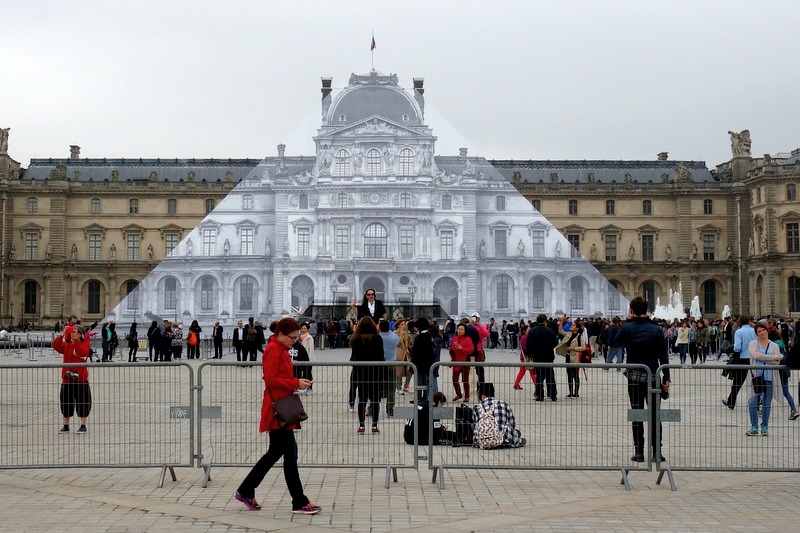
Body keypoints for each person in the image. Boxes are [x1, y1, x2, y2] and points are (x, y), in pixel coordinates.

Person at [234, 317, 319, 515]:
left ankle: (247, 489)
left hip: (282, 405)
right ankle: (298, 500)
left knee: (278, 453)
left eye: (297, 338)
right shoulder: (273, 349)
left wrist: (296, 382)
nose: (295, 341)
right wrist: (295, 383)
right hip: (277, 408)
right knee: (288, 454)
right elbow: (271, 379)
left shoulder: (280, 347)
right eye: (293, 338)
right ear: (280, 335)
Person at [614, 296, 671, 462]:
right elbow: (663, 355)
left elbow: (614, 342)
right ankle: (657, 453)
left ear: (632, 310)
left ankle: (639, 452)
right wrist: (666, 377)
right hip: (653, 375)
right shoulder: (656, 329)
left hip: (634, 376)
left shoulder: (627, 327)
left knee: (637, 412)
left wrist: (627, 320)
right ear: (646, 310)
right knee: (655, 414)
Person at [745, 323, 784, 436]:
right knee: (752, 402)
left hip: (770, 377)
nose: (762, 332)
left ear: (767, 330)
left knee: (767, 403)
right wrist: (773, 357)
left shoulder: (774, 346)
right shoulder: (752, 344)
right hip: (755, 377)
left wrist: (763, 356)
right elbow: (756, 357)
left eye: (763, 330)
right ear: (756, 334)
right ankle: (754, 426)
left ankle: (765, 426)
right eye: (759, 331)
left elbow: (777, 362)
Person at [53, 325, 92, 433]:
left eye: (74, 332)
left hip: (80, 378)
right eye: (71, 332)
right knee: (66, 401)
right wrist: (62, 334)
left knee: (83, 401)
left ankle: (83, 425)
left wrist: (76, 341)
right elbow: (56, 346)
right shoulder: (67, 345)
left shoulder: (84, 343)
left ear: (80, 334)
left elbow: (82, 352)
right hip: (68, 378)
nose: (72, 334)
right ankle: (66, 425)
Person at [349, 317, 384, 434]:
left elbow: (353, 357)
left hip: (361, 373)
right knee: (375, 400)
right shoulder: (378, 338)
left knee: (362, 400)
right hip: (375, 373)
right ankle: (374, 425)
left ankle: (362, 425)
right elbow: (381, 356)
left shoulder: (356, 338)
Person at [471, 382, 525, 448]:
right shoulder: (503, 404)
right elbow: (512, 424)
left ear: (482, 396)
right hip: (503, 436)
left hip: (483, 439)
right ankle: (503, 440)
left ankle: (489, 441)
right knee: (517, 432)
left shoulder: (476, 408)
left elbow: (474, 426)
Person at [723, 316, 757, 409]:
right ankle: (757, 403)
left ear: (740, 322)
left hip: (742, 359)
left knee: (737, 382)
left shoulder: (739, 332)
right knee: (755, 381)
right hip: (753, 358)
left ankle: (731, 402)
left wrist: (732, 349)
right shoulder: (754, 331)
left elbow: (737, 347)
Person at [525, 314, 558, 401]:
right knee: (550, 376)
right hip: (548, 356)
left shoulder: (532, 331)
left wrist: (529, 354)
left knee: (539, 376)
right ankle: (553, 394)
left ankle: (539, 395)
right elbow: (555, 343)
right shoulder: (549, 331)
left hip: (537, 356)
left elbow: (529, 344)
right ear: (545, 321)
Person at [768, 329, 798, 420]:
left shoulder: (774, 345)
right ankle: (793, 409)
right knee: (785, 391)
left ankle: (764, 409)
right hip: (784, 370)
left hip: (778, 370)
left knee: (769, 389)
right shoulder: (781, 342)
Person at [556, 319, 585, 399]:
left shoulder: (580, 337)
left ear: (577, 328)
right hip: (568, 357)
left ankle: (576, 392)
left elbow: (583, 347)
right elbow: (561, 331)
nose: (571, 326)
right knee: (569, 375)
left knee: (575, 375)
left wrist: (573, 348)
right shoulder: (568, 334)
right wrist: (561, 321)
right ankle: (570, 392)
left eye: (573, 325)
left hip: (575, 357)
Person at [378, 319, 399, 416]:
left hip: (379, 365)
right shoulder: (394, 338)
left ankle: (371, 409)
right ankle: (390, 409)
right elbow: (394, 336)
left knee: (376, 387)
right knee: (391, 388)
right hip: (391, 364)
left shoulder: (377, 337)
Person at [449, 322, 474, 402]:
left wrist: (461, 348)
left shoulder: (468, 339)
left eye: (461, 329)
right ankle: (458, 394)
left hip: (465, 362)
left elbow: (470, 350)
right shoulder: (454, 338)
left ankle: (467, 396)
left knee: (465, 380)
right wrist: (451, 361)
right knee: (454, 379)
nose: (460, 331)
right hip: (456, 362)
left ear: (465, 330)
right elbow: (452, 350)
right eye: (459, 329)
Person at [410, 318, 434, 402]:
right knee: (426, 380)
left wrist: (412, 362)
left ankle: (418, 397)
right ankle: (425, 396)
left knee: (419, 381)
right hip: (427, 363)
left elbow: (415, 352)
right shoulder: (429, 336)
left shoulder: (419, 337)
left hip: (419, 363)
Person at [513, 324, 534, 390]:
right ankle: (537, 384)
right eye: (528, 329)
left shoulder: (526, 337)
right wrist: (530, 354)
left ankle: (516, 384)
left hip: (525, 357)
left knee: (523, 372)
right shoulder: (524, 338)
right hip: (526, 357)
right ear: (524, 331)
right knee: (532, 372)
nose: (530, 330)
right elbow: (525, 348)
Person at [395, 318, 413, 394]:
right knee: (399, 371)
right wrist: (402, 335)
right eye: (402, 324)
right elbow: (397, 343)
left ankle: (406, 385)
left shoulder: (407, 334)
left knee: (409, 371)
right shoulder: (396, 333)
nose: (404, 326)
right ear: (398, 326)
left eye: (404, 324)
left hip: (407, 354)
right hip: (399, 353)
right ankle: (398, 387)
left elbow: (409, 345)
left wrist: (410, 340)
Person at [299, 323, 316, 394]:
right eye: (302, 328)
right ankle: (301, 388)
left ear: (308, 329)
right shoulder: (298, 338)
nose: (303, 330)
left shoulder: (309, 338)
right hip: (299, 359)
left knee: (307, 374)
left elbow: (311, 349)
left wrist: (309, 360)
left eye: (305, 328)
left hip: (307, 359)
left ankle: (309, 388)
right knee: (299, 374)